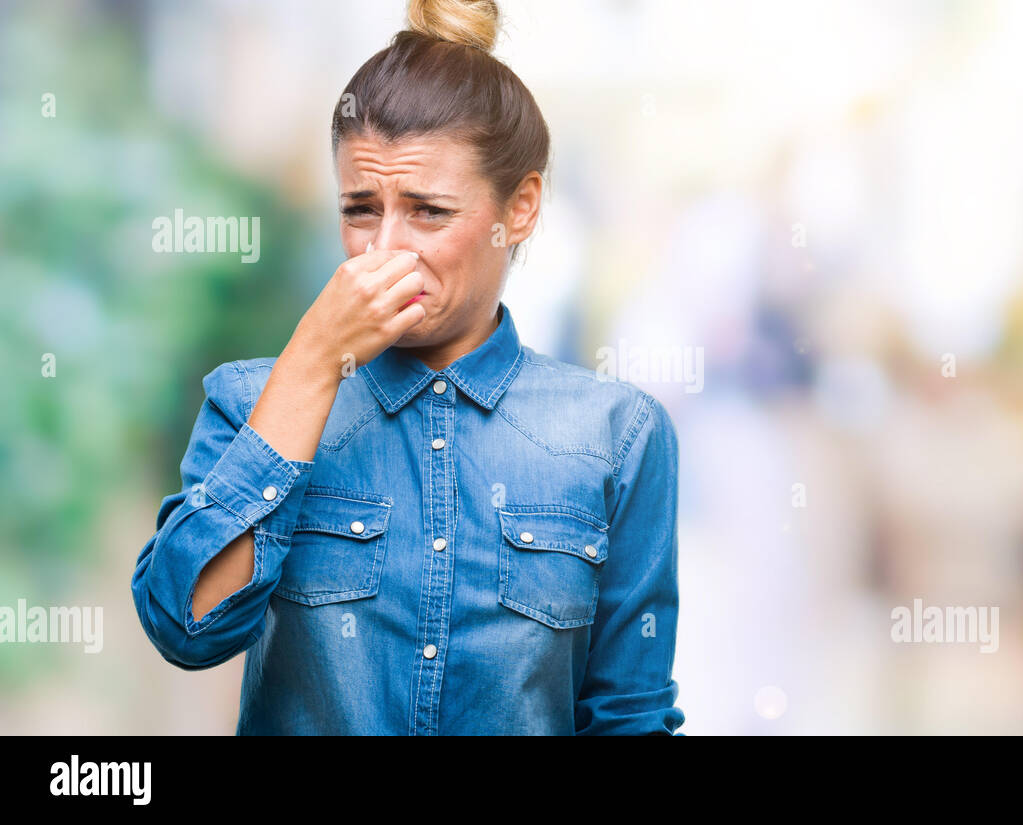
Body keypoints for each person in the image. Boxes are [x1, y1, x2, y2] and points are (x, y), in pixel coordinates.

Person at [130, 0, 685, 735]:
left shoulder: (619, 434)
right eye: (360, 208)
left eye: (427, 211)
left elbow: (629, 716)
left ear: (518, 209)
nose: (385, 248)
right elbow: (185, 626)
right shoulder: (250, 400)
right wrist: (313, 363)